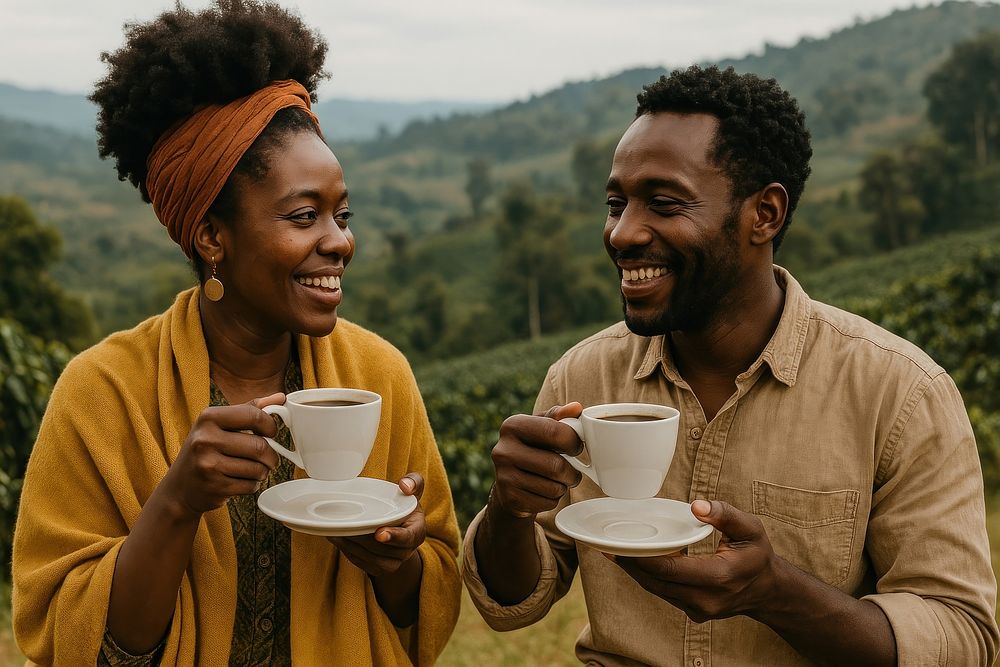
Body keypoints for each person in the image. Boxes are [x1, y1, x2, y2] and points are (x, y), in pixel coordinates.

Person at [463, 65, 998, 666]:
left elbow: (961, 639)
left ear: (763, 215)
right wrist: (509, 509)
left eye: (663, 204)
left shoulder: (898, 395)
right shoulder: (582, 378)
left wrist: (776, 593)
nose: (623, 233)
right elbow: (511, 602)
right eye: (616, 204)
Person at [11, 1, 460, 664]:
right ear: (211, 237)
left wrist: (395, 559)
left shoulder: (379, 375)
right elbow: (75, 639)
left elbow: (428, 606)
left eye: (342, 213)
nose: (339, 242)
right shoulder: (102, 392)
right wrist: (177, 501)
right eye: (304, 215)